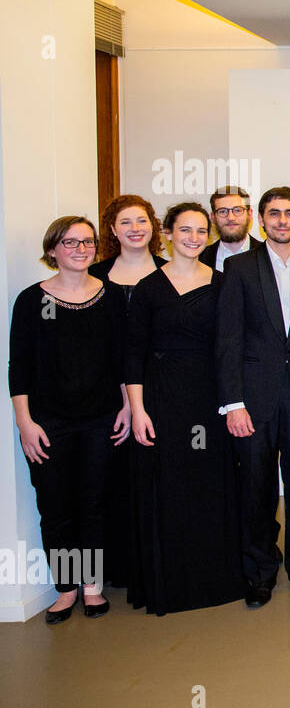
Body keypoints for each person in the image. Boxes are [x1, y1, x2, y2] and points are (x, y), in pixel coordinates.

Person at [9, 216, 130, 623]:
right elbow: (19, 365)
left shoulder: (111, 297)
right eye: (70, 242)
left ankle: (92, 587)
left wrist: (128, 407)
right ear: (53, 250)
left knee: (93, 503)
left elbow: (124, 360)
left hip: (102, 419)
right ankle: (65, 589)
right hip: (49, 423)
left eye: (87, 242)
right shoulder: (32, 300)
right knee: (56, 506)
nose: (81, 249)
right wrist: (25, 422)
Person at [125, 203, 243, 615]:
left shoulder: (225, 283)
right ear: (169, 233)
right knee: (167, 486)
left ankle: (214, 580)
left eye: (200, 231)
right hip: (162, 398)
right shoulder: (148, 287)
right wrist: (137, 409)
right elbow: (133, 353)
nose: (193, 237)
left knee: (210, 485)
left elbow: (232, 346)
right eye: (185, 230)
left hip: (210, 397)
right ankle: (169, 583)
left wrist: (233, 402)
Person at [215, 186, 290, 607]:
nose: (282, 221)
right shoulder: (239, 268)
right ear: (261, 219)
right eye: (274, 214)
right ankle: (259, 572)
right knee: (256, 490)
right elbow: (227, 339)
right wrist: (232, 403)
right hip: (253, 403)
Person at [88, 193, 167, 588]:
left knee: (158, 481)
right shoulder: (95, 276)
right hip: (106, 397)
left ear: (153, 227)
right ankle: (115, 574)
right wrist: (123, 400)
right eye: (126, 222)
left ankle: (156, 567)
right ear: (113, 230)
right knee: (110, 484)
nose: (136, 229)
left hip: (163, 391)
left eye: (142, 221)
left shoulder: (173, 272)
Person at [200, 186, 263, 271]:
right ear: (212, 217)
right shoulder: (200, 258)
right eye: (222, 211)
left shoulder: (266, 255)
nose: (230, 217)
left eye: (237, 210)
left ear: (250, 214)